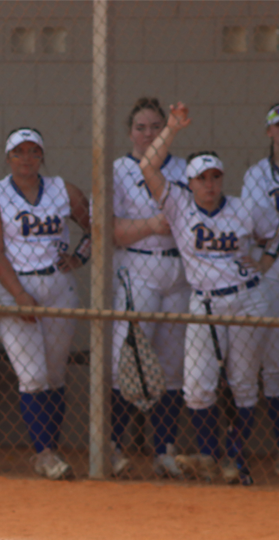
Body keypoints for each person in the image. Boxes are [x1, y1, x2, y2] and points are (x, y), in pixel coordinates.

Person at [140, 103, 278, 484]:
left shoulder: (242, 207)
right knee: (198, 386)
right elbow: (148, 167)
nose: (210, 184)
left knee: (244, 382)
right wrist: (170, 129)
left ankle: (235, 461)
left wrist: (265, 263)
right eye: (202, 178)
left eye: (216, 176)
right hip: (203, 300)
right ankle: (209, 456)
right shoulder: (179, 204)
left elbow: (273, 232)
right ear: (190, 182)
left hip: (248, 298)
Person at [0, 128, 91, 480]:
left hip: (58, 286)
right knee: (33, 376)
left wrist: (80, 257)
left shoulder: (63, 189)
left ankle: (49, 450)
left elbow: (96, 226)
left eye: (33, 151)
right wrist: (18, 294)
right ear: (8, 157)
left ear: (42, 155)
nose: (26, 158)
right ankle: (43, 452)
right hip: (14, 285)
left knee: (55, 374)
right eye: (18, 152)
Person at [107, 97, 189, 478]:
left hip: (179, 271)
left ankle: (164, 451)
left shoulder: (186, 169)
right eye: (140, 127)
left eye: (156, 126)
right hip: (137, 267)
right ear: (130, 132)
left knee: (172, 368)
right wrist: (150, 226)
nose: (148, 133)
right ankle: (112, 446)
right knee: (130, 361)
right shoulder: (119, 169)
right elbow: (110, 231)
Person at [242, 102, 279, 475]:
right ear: (270, 131)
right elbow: (258, 228)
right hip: (269, 277)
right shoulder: (257, 176)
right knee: (271, 368)